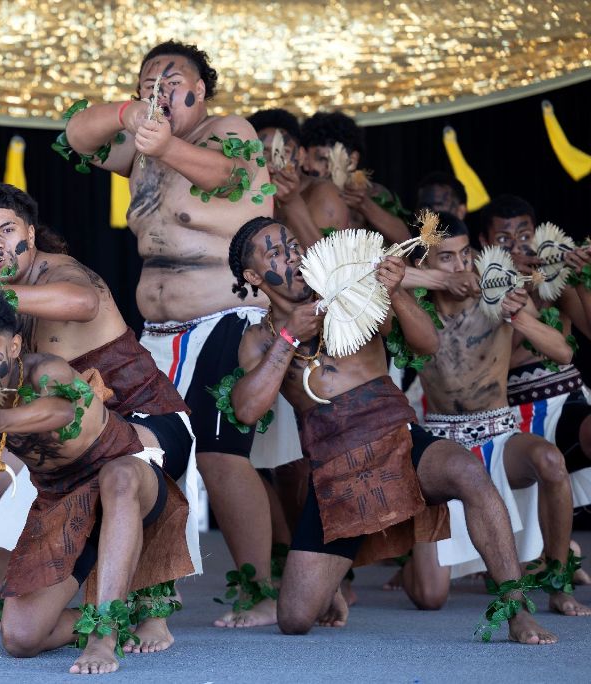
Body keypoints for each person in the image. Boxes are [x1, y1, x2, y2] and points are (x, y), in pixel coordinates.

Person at [227, 216, 559, 644]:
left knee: (468, 473)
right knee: (294, 619)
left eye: (291, 245)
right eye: (274, 254)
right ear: (254, 276)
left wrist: (396, 291)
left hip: (398, 439)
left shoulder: (349, 288)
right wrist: (289, 338)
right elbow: (247, 409)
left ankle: (516, 610)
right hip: (335, 472)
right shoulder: (259, 338)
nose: (291, 256)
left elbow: (427, 344)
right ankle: (333, 584)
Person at [61, 39, 283, 628]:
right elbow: (73, 137)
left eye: (173, 76)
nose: (160, 84)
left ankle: (258, 590)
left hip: (225, 314)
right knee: (142, 452)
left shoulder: (227, 131)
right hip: (156, 329)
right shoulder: (140, 150)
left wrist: (169, 145)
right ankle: (153, 581)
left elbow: (232, 179)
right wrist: (125, 118)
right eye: (148, 78)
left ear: (199, 91)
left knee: (219, 454)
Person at [0, 182, 193, 650]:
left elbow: (84, 304)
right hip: (61, 441)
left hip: (143, 421)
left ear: (30, 234)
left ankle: (142, 606)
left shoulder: (63, 273)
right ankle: (12, 597)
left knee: (116, 474)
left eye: (6, 229)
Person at [410, 212, 591, 617]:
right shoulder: (412, 308)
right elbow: (372, 276)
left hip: (499, 435)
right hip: (441, 443)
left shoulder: (498, 294)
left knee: (550, 461)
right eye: (447, 259)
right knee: (428, 596)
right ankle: (407, 555)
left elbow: (563, 352)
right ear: (422, 264)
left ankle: (558, 582)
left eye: (465, 255)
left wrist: (516, 316)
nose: (461, 267)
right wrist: (440, 283)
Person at [484, 195, 591, 582]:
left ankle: (556, 558)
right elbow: (496, 362)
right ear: (485, 244)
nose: (517, 247)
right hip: (512, 416)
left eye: (524, 236)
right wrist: (517, 296)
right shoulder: (481, 294)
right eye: (504, 239)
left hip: (567, 404)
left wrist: (581, 278)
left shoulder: (555, 286)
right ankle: (554, 558)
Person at [299, 111, 411, 243]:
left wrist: (365, 205)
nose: (329, 168)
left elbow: (406, 243)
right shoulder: (301, 198)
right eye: (322, 159)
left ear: (352, 161)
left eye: (335, 160)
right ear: (305, 160)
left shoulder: (374, 194)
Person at [248, 108, 350, 249]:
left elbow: (330, 265)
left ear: (301, 156)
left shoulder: (324, 193)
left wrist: (291, 201)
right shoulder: (248, 195)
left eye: (284, 152)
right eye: (263, 154)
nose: (273, 163)